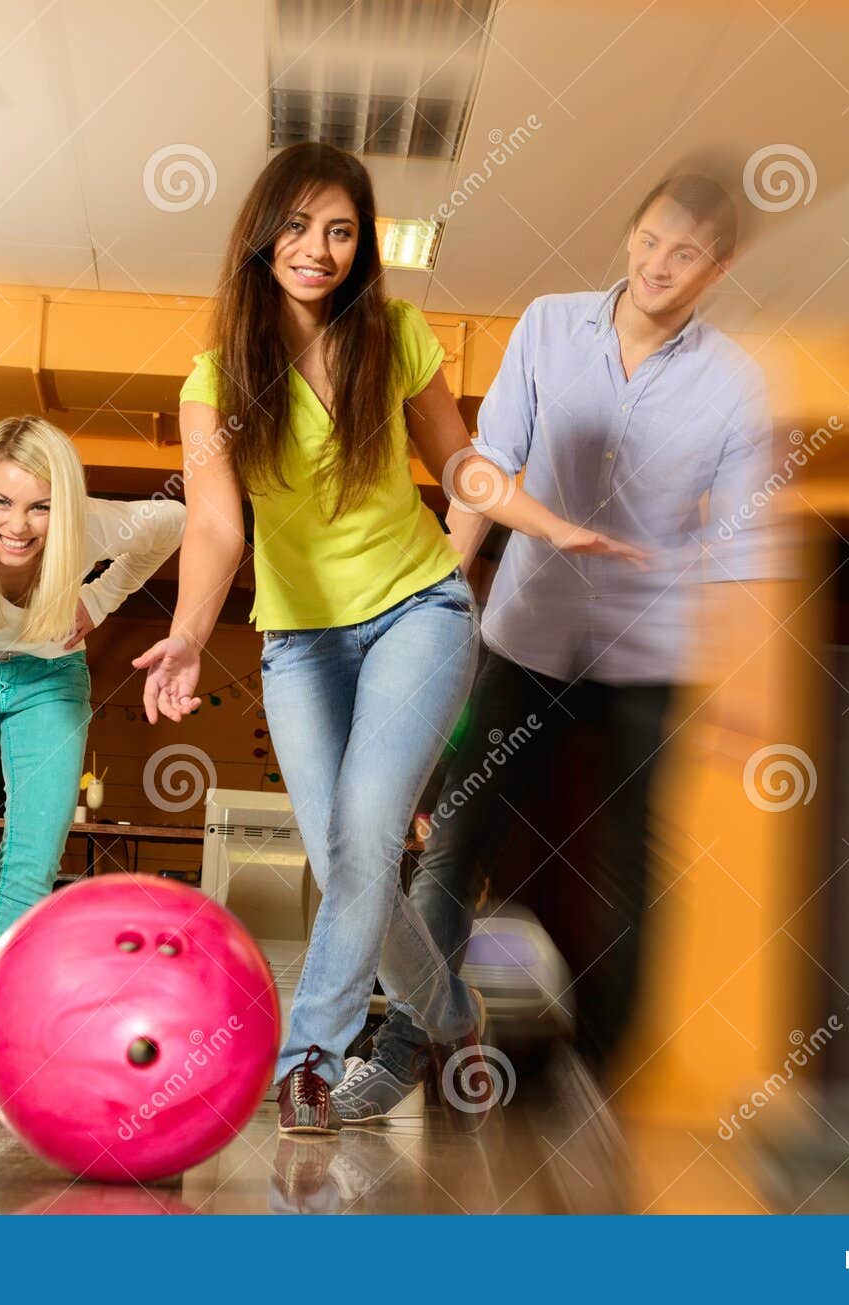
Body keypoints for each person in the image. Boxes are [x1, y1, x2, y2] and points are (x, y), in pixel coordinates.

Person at [133, 142, 646, 1135]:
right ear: (261, 234)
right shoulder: (215, 381)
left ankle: (308, 1063)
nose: (317, 248)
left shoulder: (395, 334)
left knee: (367, 834)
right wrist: (190, 631)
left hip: (419, 613)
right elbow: (216, 525)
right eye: (298, 226)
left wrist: (544, 522)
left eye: (341, 231)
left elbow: (461, 465)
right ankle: (447, 1011)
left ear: (362, 246)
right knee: (345, 863)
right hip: (299, 644)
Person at [336, 170, 777, 1123]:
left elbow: (746, 544)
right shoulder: (548, 325)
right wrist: (438, 594)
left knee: (632, 866)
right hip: (524, 635)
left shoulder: (735, 382)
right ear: (630, 233)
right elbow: (486, 467)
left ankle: (601, 1072)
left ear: (719, 268)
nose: (658, 265)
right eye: (649, 240)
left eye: (686, 254)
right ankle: (404, 1045)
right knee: (455, 838)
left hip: (646, 653)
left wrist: (743, 690)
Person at [0, 415, 184, 1112]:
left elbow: (174, 522)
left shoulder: (90, 527)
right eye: (1, 502)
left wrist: (97, 600)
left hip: (49, 681)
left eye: (40, 507)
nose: (18, 526)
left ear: (65, 505)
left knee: (30, 865)